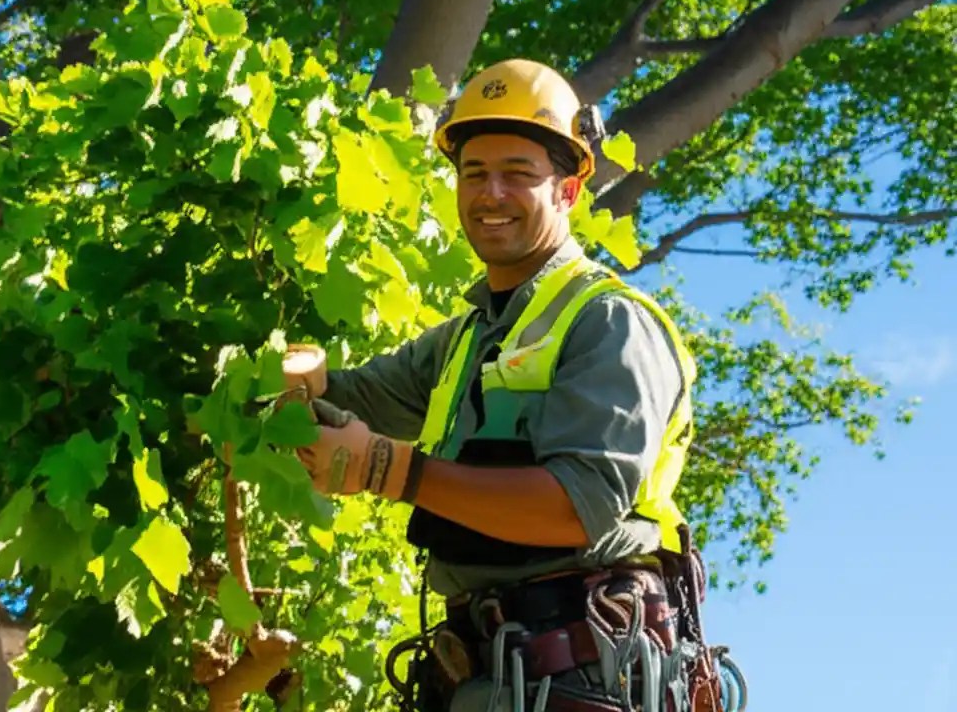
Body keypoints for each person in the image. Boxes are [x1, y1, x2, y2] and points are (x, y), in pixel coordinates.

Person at [282, 59, 744, 711]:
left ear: (569, 190)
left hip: (585, 676)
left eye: (518, 174)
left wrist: (392, 472)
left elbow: (579, 502)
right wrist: (294, 382)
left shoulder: (608, 323)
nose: (490, 193)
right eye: (474, 173)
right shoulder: (464, 342)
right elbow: (352, 404)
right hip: (486, 675)